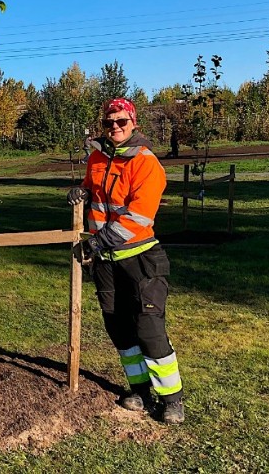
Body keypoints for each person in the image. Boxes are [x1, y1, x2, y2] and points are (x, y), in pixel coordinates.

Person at [68, 98, 185, 424]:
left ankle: (172, 399)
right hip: (106, 262)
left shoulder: (146, 163)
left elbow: (137, 217)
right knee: (119, 328)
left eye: (122, 122)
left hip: (141, 260)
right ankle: (140, 390)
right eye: (110, 123)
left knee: (148, 329)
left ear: (133, 123)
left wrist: (96, 242)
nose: (115, 127)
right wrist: (80, 193)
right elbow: (95, 191)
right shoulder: (97, 158)